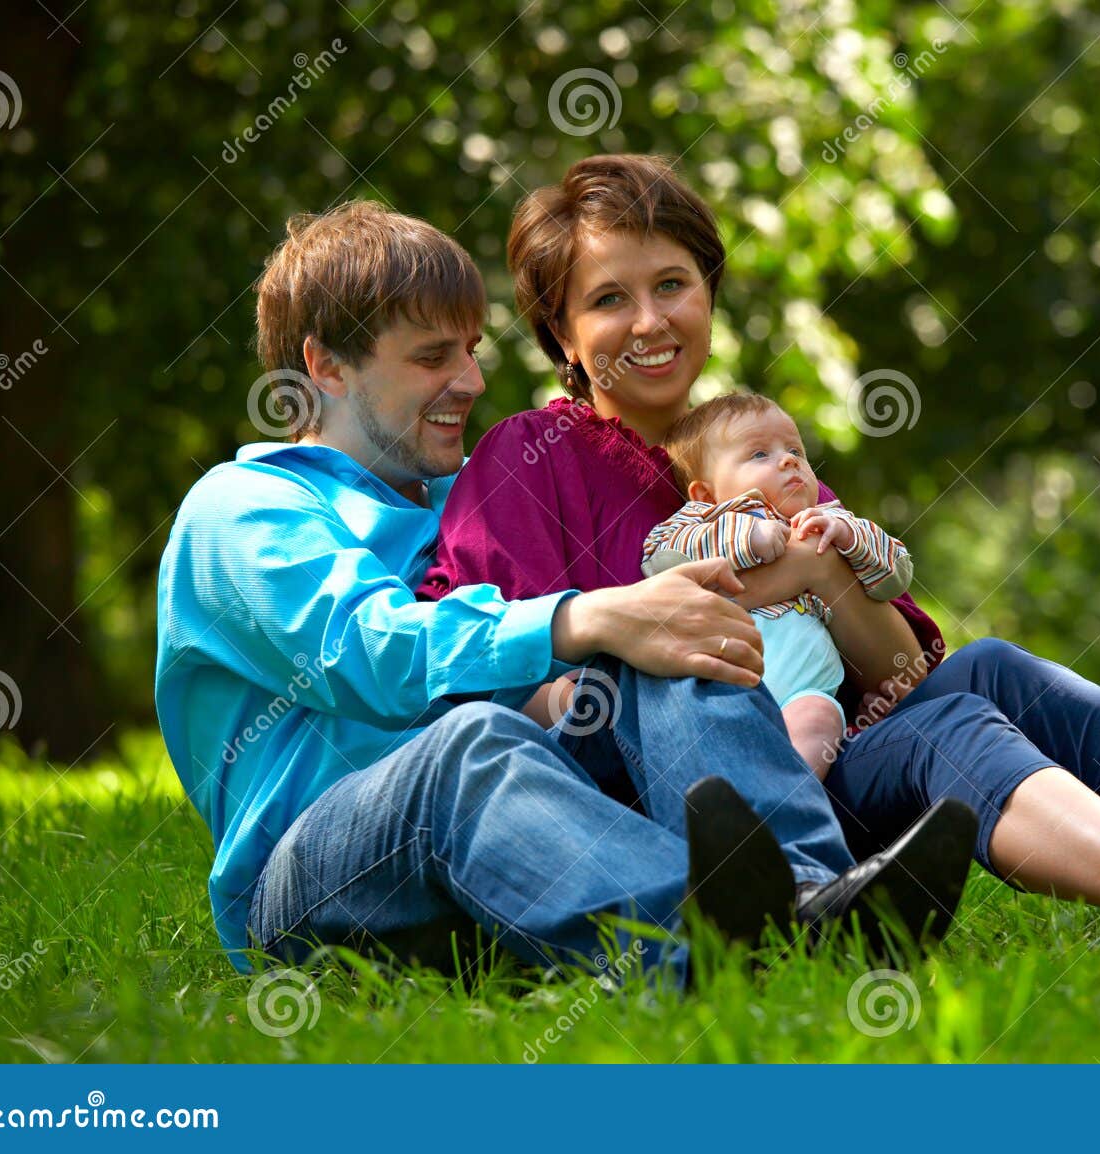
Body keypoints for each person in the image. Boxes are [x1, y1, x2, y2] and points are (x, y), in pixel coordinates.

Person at [420, 153, 1100, 964]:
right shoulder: (527, 454)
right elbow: (488, 671)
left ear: (709, 293)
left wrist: (819, 571)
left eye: (672, 284)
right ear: (560, 326)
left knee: (983, 672)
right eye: (607, 299)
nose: (649, 321)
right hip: (672, 806)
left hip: (816, 769)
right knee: (948, 709)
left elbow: (900, 676)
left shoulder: (744, 445)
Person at [153, 199, 976, 984]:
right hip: (319, 885)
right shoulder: (244, 509)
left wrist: (641, 624)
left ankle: (814, 894)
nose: (472, 381)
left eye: (471, 349)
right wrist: (586, 616)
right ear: (325, 366)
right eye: (433, 356)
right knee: (477, 733)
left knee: (666, 635)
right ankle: (719, 951)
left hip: (507, 856)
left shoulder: (458, 501)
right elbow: (373, 654)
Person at [640, 393, 912, 777]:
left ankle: (791, 800)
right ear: (705, 493)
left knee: (819, 720)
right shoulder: (702, 521)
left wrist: (849, 537)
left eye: (795, 450)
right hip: (721, 688)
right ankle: (741, 803)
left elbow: (895, 575)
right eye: (758, 455)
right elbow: (662, 561)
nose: (788, 461)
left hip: (802, 695)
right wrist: (747, 538)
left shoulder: (826, 520)